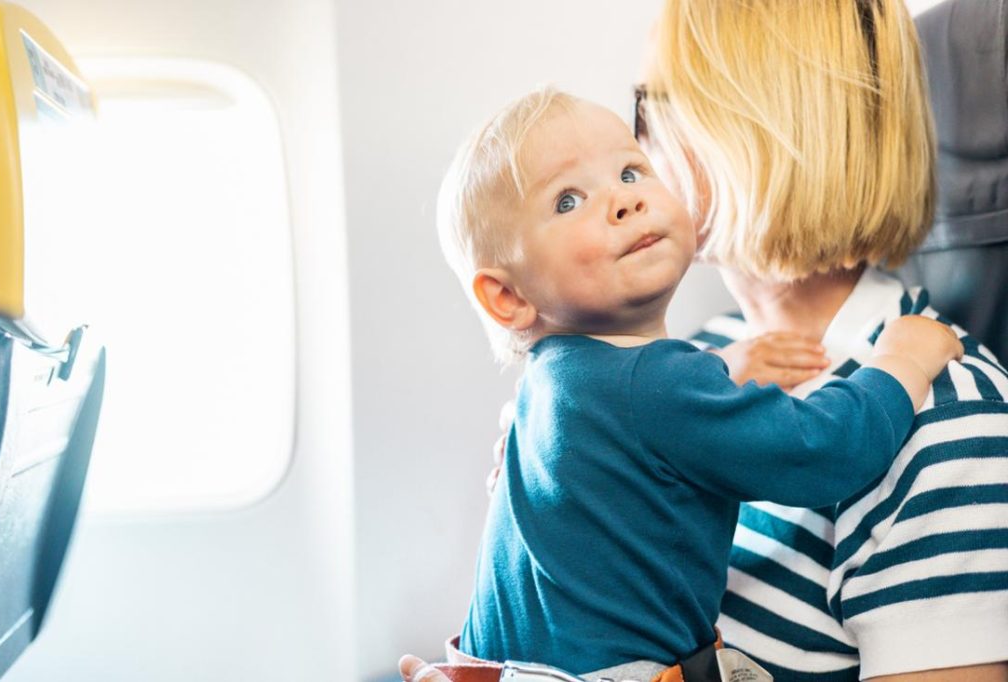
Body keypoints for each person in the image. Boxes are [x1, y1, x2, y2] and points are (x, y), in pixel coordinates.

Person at [403, 1, 1008, 681]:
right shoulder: (689, 354)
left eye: (654, 114)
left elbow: (826, 444)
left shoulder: (945, 413)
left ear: (766, 131)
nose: (629, 184)